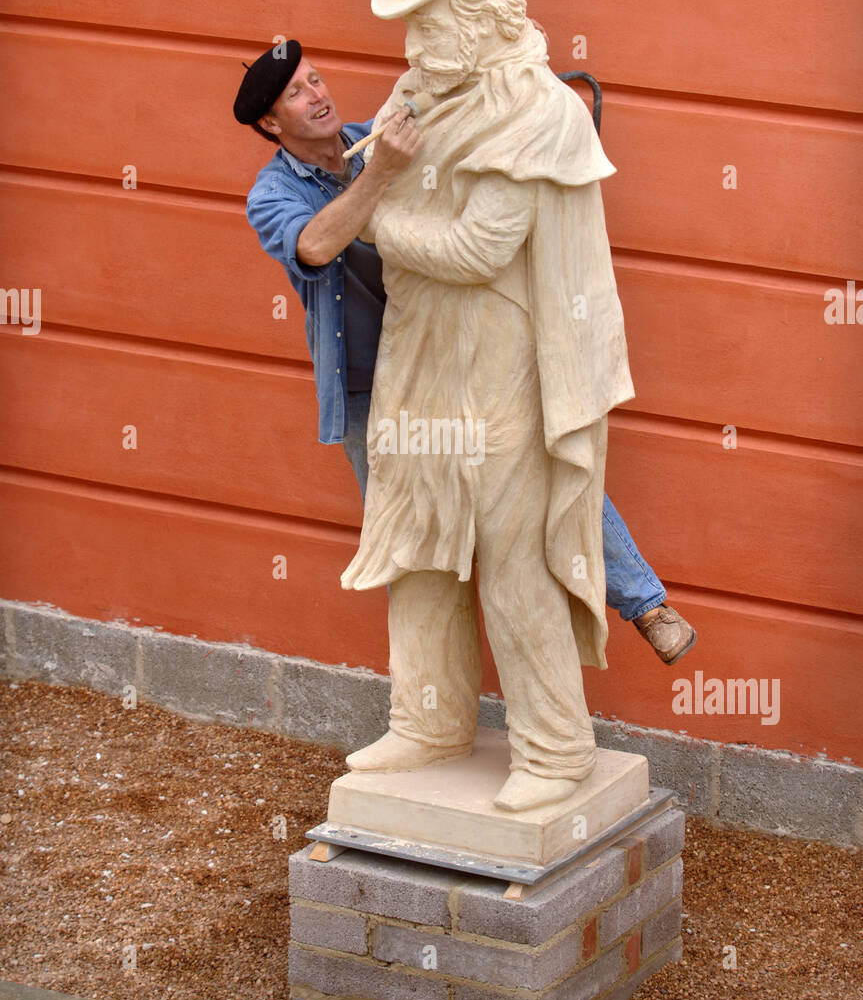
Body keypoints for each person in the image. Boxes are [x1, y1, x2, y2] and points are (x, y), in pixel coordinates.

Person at [237, 42, 697, 676]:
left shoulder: (381, 129)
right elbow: (315, 246)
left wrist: (527, 100)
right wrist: (380, 173)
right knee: (409, 549)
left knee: (546, 461)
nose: (317, 95)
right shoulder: (273, 192)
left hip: (457, 353)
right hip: (372, 387)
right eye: (295, 93)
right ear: (269, 123)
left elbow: (466, 117)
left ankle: (645, 603)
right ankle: (431, 711)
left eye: (315, 80)